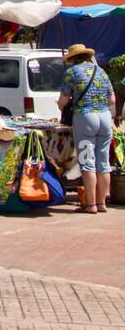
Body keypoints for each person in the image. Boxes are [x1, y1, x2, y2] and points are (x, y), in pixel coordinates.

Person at [58, 43, 117, 213]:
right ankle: (102, 203)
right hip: (105, 117)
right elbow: (112, 100)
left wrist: (64, 108)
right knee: (103, 162)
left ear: (72, 59)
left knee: (87, 162)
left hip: (85, 118)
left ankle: (90, 204)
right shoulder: (102, 72)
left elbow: (63, 101)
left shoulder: (71, 73)